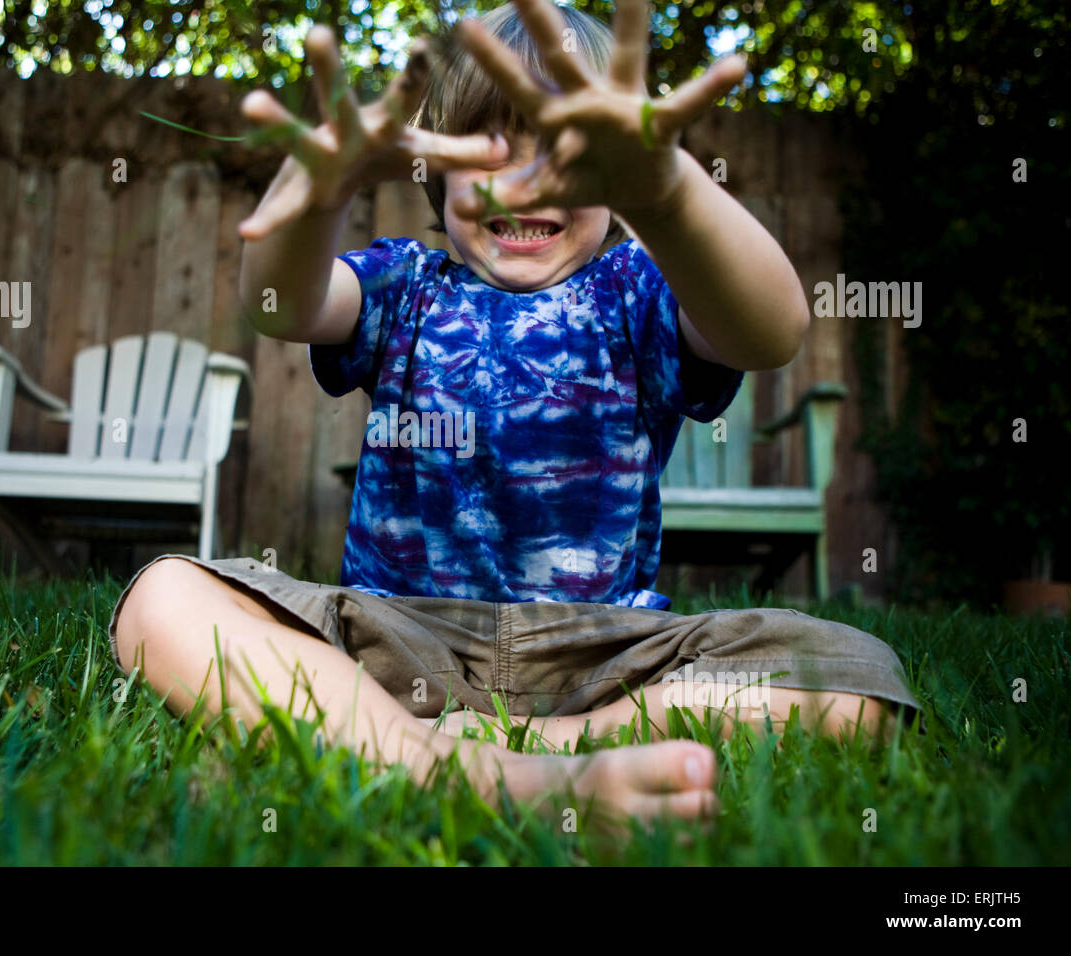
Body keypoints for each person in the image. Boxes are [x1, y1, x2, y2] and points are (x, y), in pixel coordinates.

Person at [110, 0, 921, 831]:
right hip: (397, 640)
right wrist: (319, 189)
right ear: (435, 172)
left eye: (570, 152)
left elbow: (772, 329)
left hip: (606, 659)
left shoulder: (637, 293)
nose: (528, 179)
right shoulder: (403, 286)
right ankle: (471, 768)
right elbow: (281, 307)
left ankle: (501, 746)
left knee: (857, 677)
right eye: (493, 147)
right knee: (164, 598)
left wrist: (668, 188)